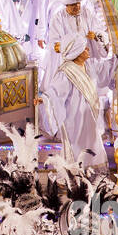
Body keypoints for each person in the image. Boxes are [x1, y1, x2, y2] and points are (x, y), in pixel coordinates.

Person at [41, 32, 106, 167]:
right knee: (77, 147)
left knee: (94, 142)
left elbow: (106, 68)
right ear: (76, 52)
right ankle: (76, 177)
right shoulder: (66, 72)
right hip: (74, 118)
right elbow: (55, 92)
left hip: (90, 116)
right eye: (84, 48)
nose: (88, 50)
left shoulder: (89, 65)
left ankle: (93, 173)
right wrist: (45, 99)